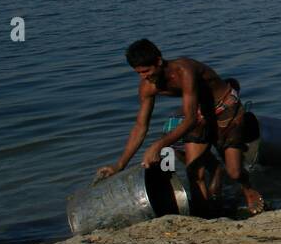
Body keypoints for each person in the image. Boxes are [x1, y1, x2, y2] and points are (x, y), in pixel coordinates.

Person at [96, 39, 265, 216]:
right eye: (138, 73)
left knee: (235, 172)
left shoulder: (184, 71)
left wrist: (159, 145)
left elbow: (190, 119)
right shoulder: (147, 87)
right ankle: (205, 214)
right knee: (194, 172)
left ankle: (248, 189)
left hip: (224, 107)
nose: (144, 77)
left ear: (159, 61)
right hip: (199, 112)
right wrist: (120, 165)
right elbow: (140, 126)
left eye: (147, 71)